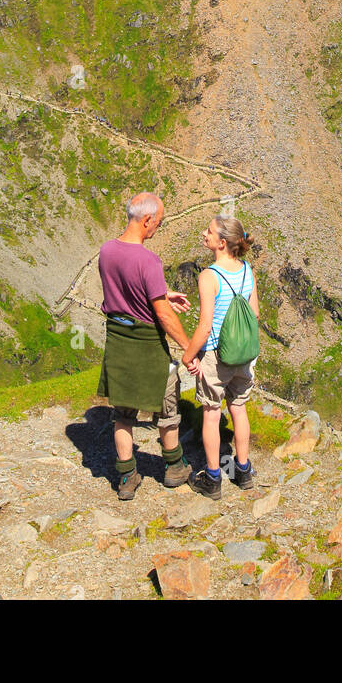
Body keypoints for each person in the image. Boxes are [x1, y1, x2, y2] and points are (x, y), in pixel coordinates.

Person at [97, 192, 198, 500]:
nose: (158, 228)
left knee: (123, 412)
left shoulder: (107, 250)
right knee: (167, 407)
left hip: (118, 338)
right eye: (159, 222)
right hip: (146, 342)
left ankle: (127, 477)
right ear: (146, 220)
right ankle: (174, 466)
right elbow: (162, 315)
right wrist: (188, 347)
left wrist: (164, 292)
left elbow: (126, 286)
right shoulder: (149, 260)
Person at [181, 215, 259, 500]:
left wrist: (188, 356)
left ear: (222, 243)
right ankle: (243, 471)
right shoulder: (248, 270)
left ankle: (213, 479)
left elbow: (205, 326)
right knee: (239, 408)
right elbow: (255, 314)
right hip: (244, 353)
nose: (204, 234)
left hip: (216, 354)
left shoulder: (209, 276)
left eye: (209, 232)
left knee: (212, 415)